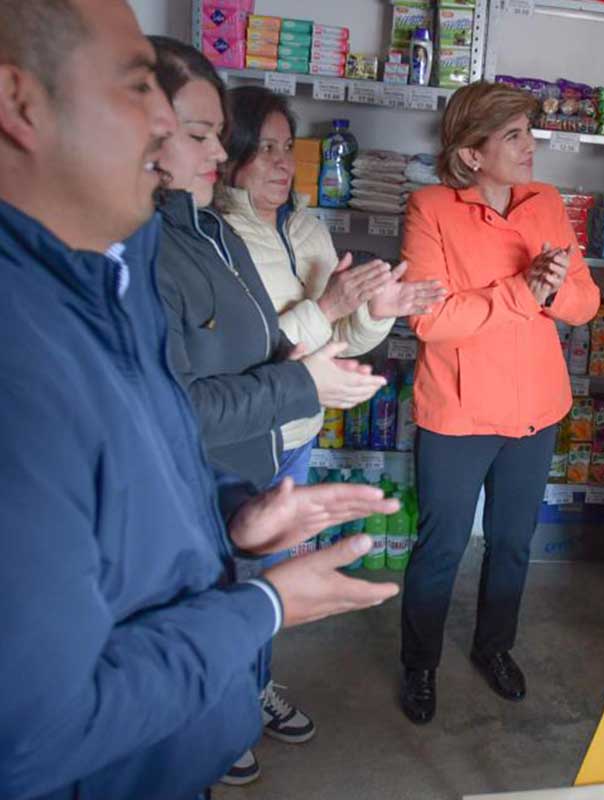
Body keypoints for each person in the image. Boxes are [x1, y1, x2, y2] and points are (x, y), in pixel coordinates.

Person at [0, 3, 400, 798]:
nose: (167, 128)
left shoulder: (115, 266)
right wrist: (264, 606)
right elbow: (33, 739)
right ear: (20, 104)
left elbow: (148, 451)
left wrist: (231, 524)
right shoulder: (20, 341)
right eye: (139, 87)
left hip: (169, 752)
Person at [148, 37, 398, 786]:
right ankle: (224, 721)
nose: (220, 156)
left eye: (222, 139)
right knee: (227, 617)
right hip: (221, 467)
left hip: (252, 466)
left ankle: (240, 704)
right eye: (209, 138)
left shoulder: (224, 233)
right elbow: (187, 402)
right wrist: (310, 363)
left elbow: (277, 345)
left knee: (256, 595)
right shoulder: (161, 248)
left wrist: (371, 314)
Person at [397, 81, 600, 725]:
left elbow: (586, 304)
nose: (530, 146)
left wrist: (557, 288)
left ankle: (494, 648)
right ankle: (420, 664)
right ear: (470, 153)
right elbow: (431, 320)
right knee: (442, 545)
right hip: (458, 413)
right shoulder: (430, 208)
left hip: (536, 408)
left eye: (528, 132)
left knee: (513, 543)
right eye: (513, 135)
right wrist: (522, 291)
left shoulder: (545, 204)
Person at [216, 86, 444, 481]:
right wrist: (328, 307)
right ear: (230, 155)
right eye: (266, 148)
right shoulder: (216, 238)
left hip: (302, 428)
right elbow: (237, 360)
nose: (283, 163)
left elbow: (334, 342)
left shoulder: (308, 229)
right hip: (246, 439)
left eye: (287, 147)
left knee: (280, 545)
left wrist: (372, 313)